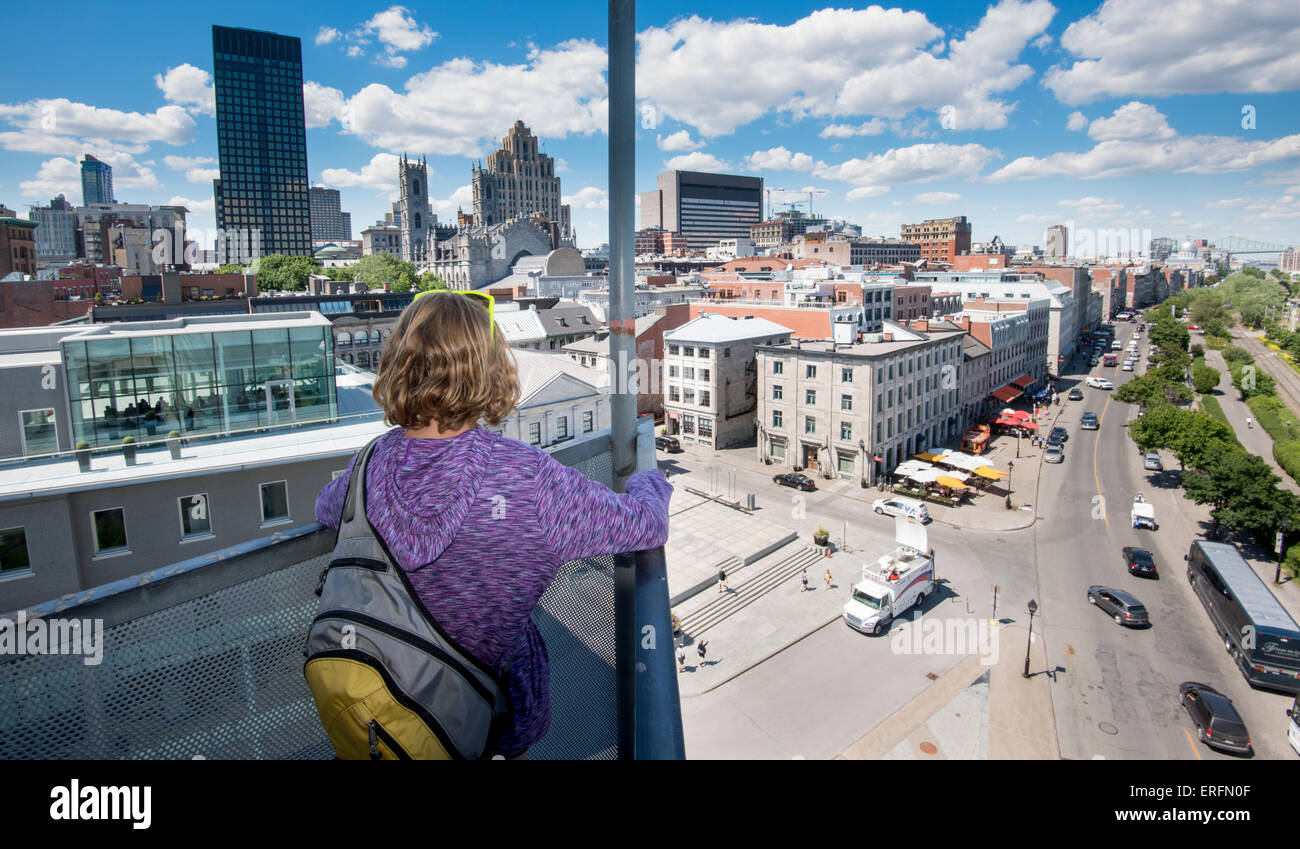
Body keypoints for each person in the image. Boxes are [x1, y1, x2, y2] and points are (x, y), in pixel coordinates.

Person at [314, 293, 672, 759]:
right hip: (490, 719)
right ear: (487, 367)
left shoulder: (370, 463)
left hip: (391, 712)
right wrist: (649, 479)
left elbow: (327, 509)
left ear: (399, 363)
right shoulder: (524, 477)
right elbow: (646, 525)